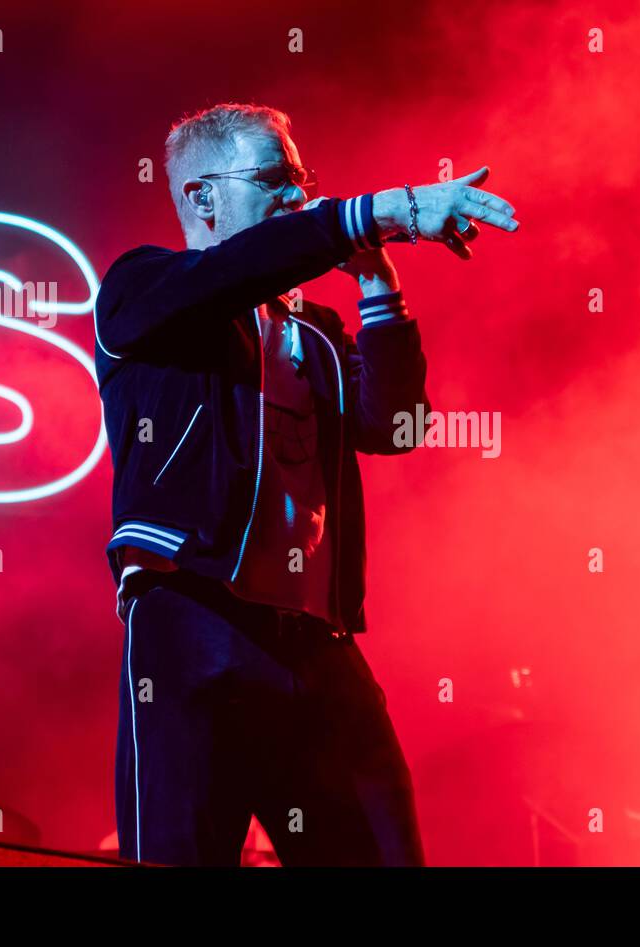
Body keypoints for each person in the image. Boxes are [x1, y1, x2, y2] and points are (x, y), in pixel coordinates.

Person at [92, 102, 519, 865]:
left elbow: (394, 429)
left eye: (304, 177)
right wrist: (380, 213)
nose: (299, 193)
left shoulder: (314, 329)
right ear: (202, 196)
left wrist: (380, 289)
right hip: (196, 623)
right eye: (277, 177)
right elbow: (231, 273)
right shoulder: (143, 287)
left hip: (317, 645)